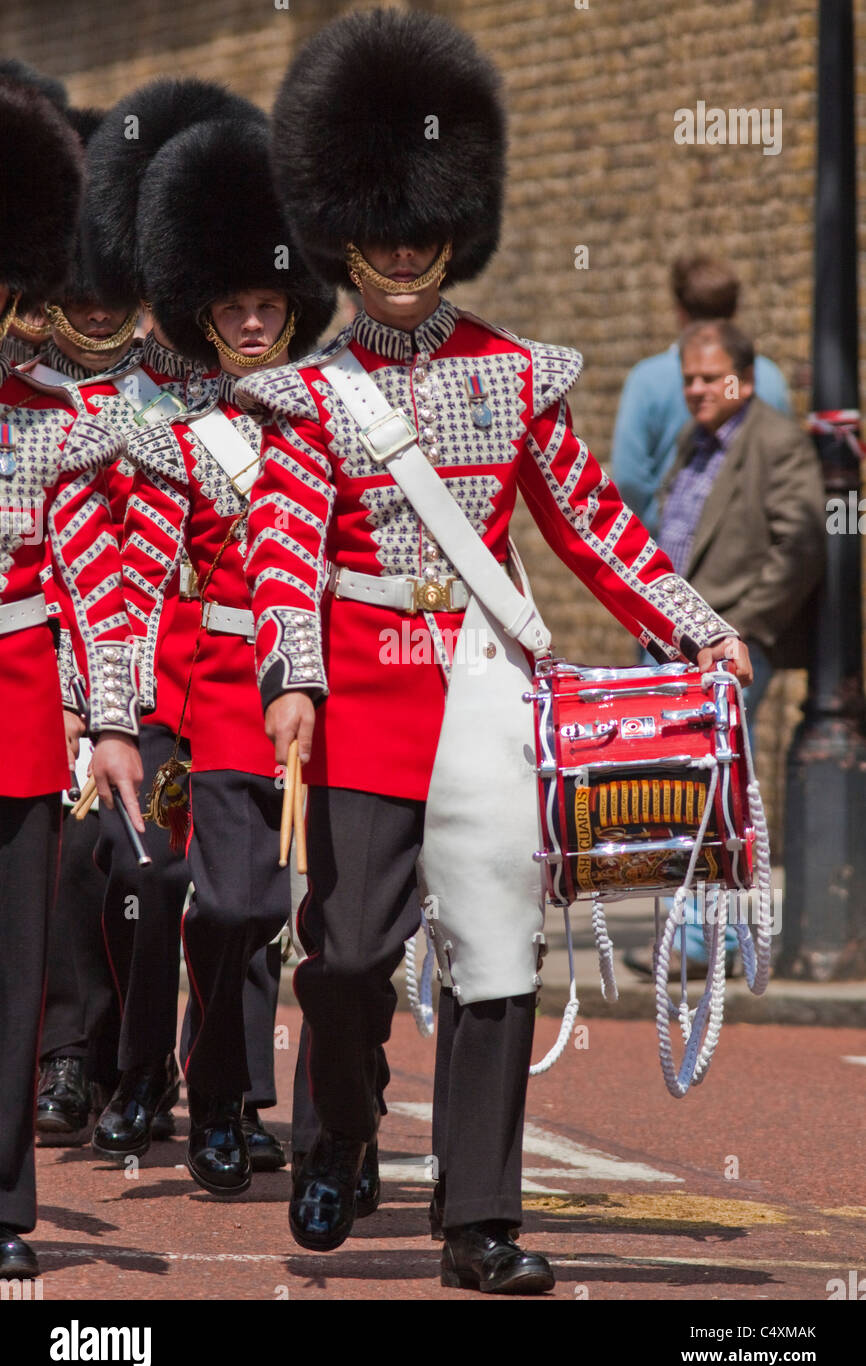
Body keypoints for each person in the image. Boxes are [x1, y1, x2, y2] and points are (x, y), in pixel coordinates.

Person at [237, 8, 753, 1295]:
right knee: (347, 950)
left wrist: (700, 628)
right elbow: (284, 547)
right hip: (358, 687)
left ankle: (478, 1217)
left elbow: (592, 529)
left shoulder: (517, 375)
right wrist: (291, 677)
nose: (406, 251)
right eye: (383, 229)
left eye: (424, 227)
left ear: (456, 228)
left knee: (493, 939)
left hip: (481, 684)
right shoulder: (309, 394)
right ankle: (336, 1133)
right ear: (342, 235)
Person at [121, 110, 335, 1193]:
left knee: (332, 930)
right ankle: (210, 1093)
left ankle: (304, 1117)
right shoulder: (177, 434)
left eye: (269, 304)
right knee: (238, 903)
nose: (254, 323)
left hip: (331, 685)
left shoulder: (334, 414)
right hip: (222, 687)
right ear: (205, 316)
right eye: (235, 307)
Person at [0, 77, 143, 1279]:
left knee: (12, 971)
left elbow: (91, 577)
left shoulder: (48, 418)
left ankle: (1, 1205)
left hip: (13, 720)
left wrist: (108, 720)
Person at [624, 319, 825, 978]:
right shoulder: (697, 439)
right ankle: (707, 940)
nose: (696, 390)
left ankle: (708, 944)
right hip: (674, 643)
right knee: (689, 791)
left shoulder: (774, 440)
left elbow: (797, 543)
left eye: (711, 378)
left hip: (729, 650)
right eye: (689, 379)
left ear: (744, 377)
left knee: (708, 790)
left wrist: (741, 627)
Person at [611, 253, 790, 536]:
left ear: (680, 310)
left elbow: (629, 478)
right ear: (734, 310)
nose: (696, 389)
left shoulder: (646, 380)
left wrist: (664, 533)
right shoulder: (769, 376)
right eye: (690, 381)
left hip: (668, 550)